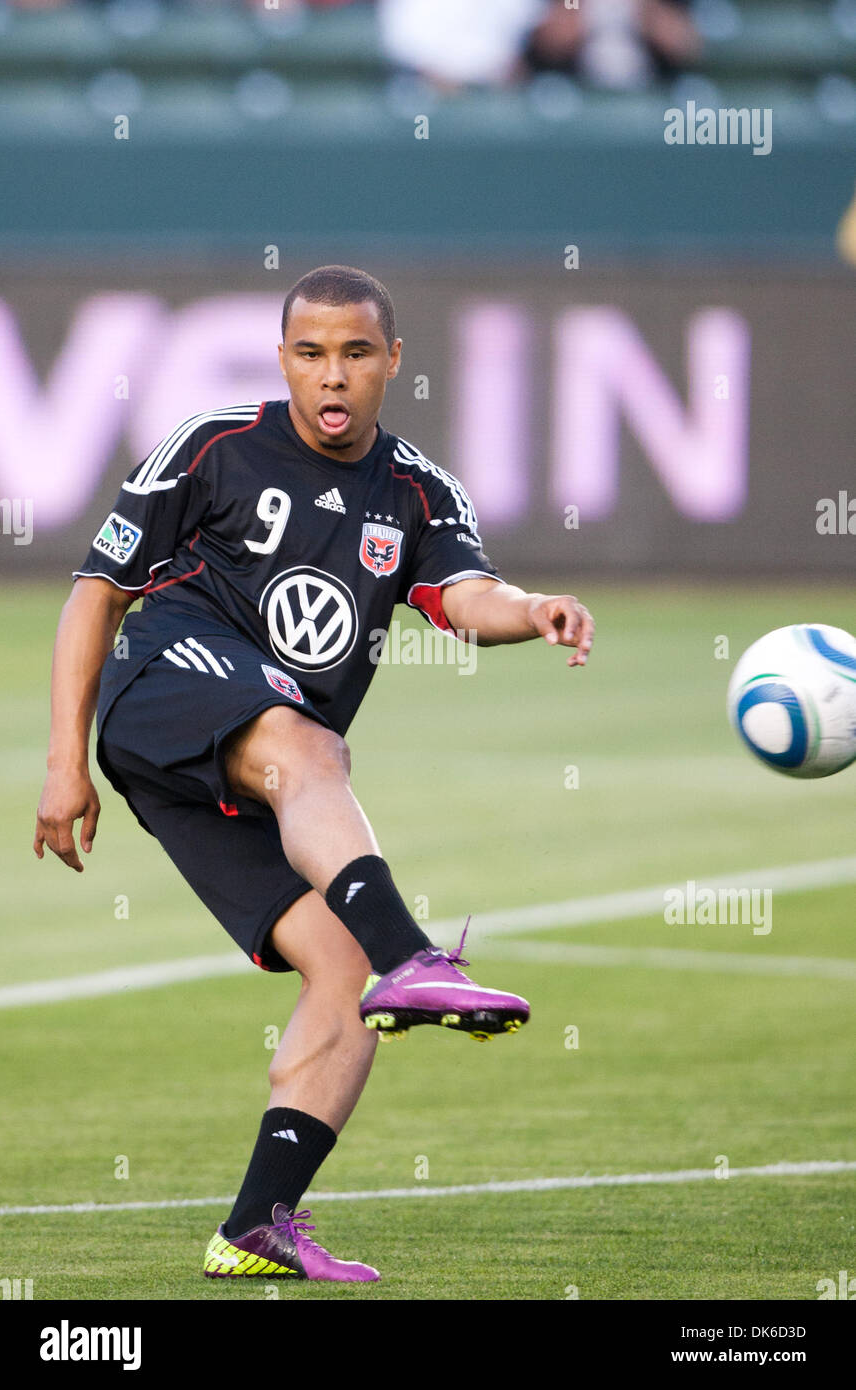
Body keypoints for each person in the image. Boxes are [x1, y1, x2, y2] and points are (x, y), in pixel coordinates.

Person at [34, 265, 594, 1284]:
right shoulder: (212, 446)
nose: (330, 375)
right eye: (309, 352)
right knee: (309, 745)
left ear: (390, 364)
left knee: (341, 972)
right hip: (163, 683)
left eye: (353, 353)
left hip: (242, 769)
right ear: (283, 357)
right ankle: (417, 957)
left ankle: (254, 1224)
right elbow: (96, 590)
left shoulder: (419, 491)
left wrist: (534, 608)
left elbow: (467, 595)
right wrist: (62, 759)